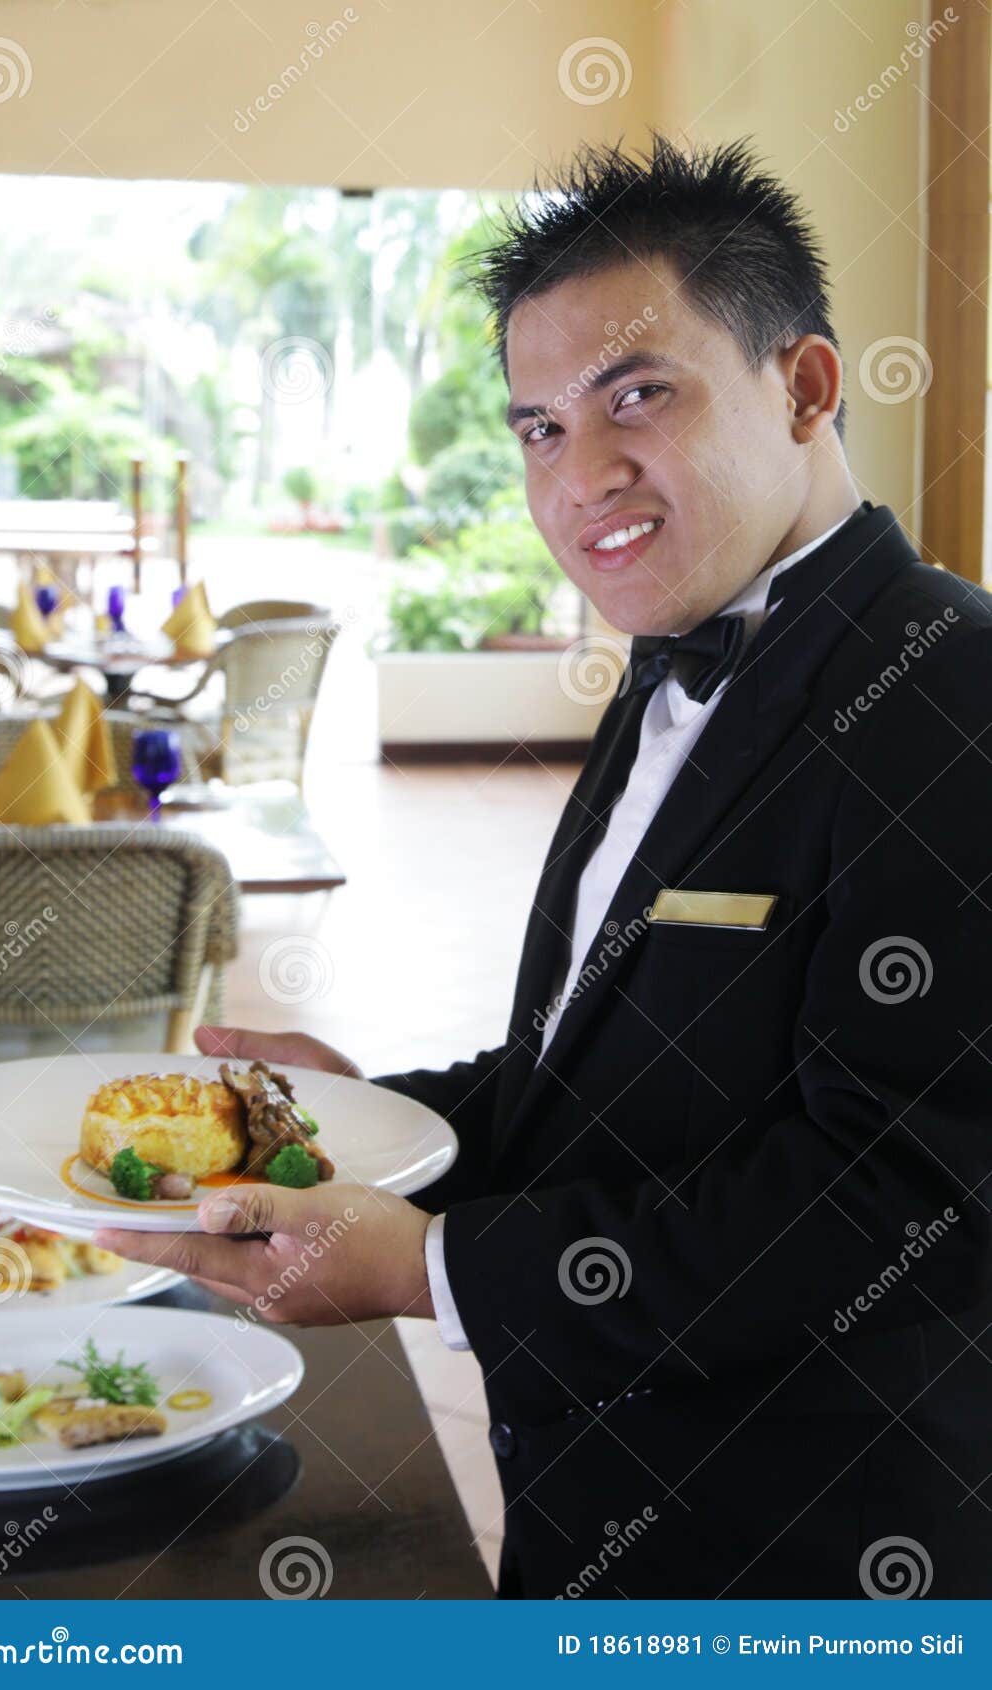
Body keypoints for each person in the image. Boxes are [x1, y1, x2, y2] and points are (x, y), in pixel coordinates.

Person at [98, 134, 992, 1599]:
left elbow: (896, 1199)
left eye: (636, 396)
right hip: (597, 1508)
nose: (580, 477)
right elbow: (604, 1076)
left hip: (809, 1550)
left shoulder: (952, 692)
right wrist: (372, 1122)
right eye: (535, 429)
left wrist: (426, 1266)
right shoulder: (670, 665)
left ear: (806, 384)